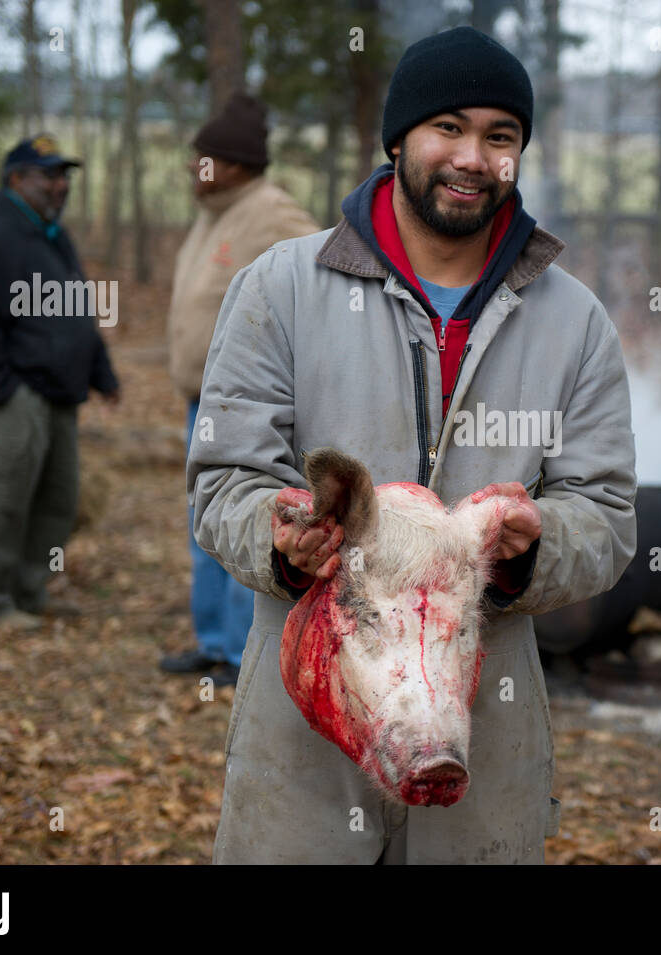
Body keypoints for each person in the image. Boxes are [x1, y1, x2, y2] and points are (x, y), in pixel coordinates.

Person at [187, 25, 637, 864]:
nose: (473, 156)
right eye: (449, 128)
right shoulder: (281, 289)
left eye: (500, 136)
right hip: (305, 716)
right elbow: (223, 481)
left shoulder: (573, 322)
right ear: (398, 139)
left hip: (484, 728)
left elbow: (605, 515)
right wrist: (280, 538)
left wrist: (534, 551)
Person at [160, 92, 321, 688]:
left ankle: (239, 650)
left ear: (233, 164)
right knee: (205, 519)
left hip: (243, 403)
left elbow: (320, 286)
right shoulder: (214, 213)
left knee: (242, 516)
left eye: (203, 158)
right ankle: (213, 641)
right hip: (199, 400)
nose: (191, 167)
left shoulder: (274, 214)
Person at [0, 134, 120, 631]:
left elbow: (76, 309)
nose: (60, 185)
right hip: (9, 395)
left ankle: (27, 590)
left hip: (58, 395)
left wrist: (99, 371)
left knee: (57, 501)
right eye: (48, 174)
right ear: (16, 179)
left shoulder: (50, 234)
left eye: (64, 175)